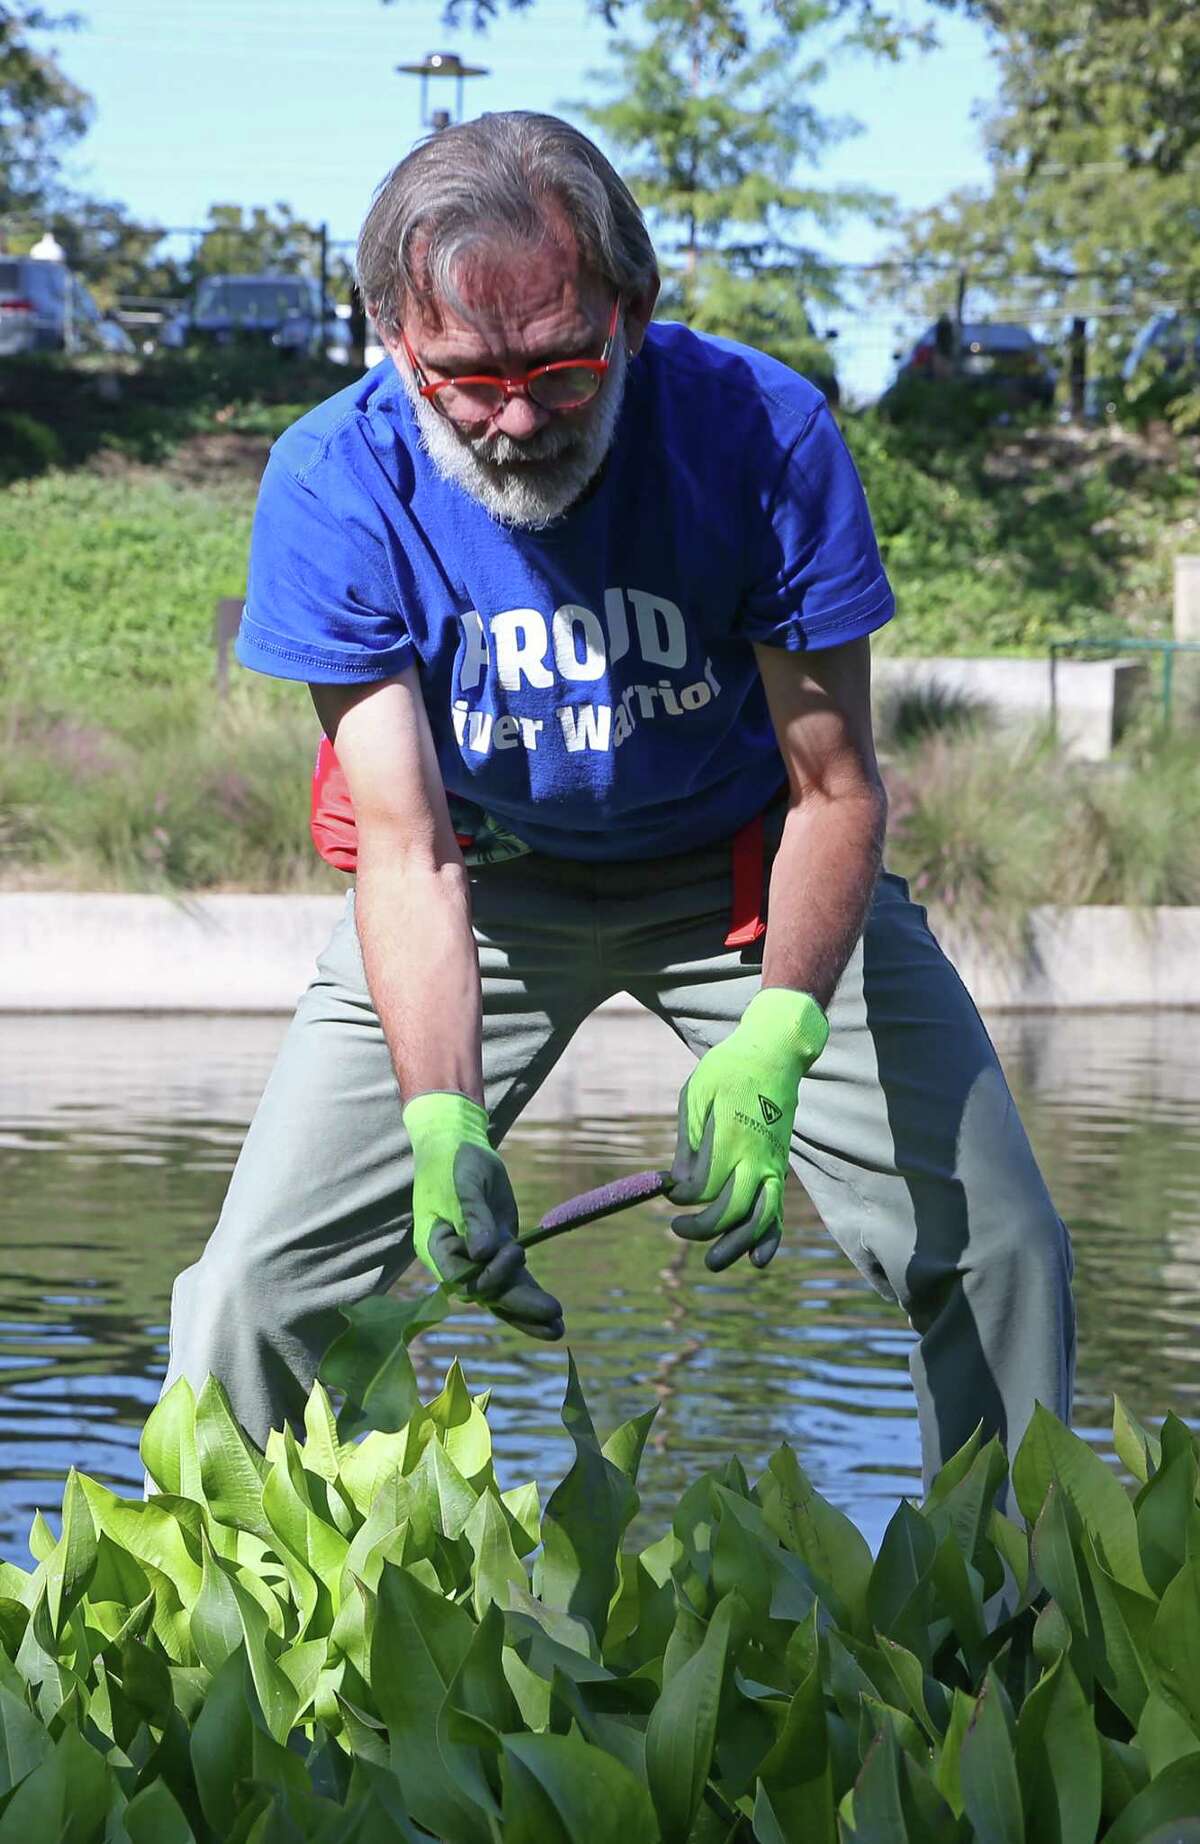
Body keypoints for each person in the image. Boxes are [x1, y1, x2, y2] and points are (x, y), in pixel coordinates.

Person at [161, 111, 1074, 1490]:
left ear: (635, 312)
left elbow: (836, 789)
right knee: (249, 1298)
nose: (519, 421)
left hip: (741, 877)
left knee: (1000, 1253)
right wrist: (443, 1118)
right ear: (392, 342)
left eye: (563, 368)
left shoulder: (761, 435)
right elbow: (404, 853)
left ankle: (1009, 1607)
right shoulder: (335, 481)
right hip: (482, 881)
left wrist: (781, 1034)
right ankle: (198, 1618)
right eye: (469, 381)